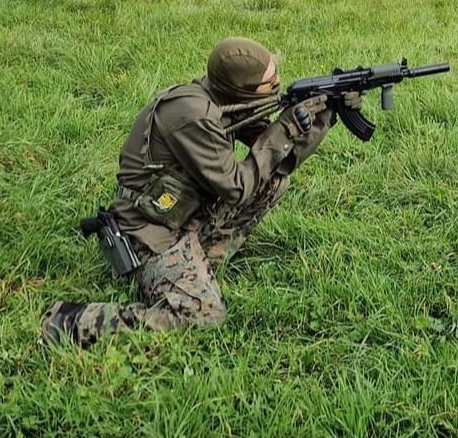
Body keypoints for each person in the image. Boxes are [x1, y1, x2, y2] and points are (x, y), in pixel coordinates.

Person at [41, 37, 344, 346]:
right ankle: (70, 321)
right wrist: (287, 127)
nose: (277, 87)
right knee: (203, 317)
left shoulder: (224, 101)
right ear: (241, 89)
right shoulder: (193, 115)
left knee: (272, 180)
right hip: (150, 234)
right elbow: (238, 186)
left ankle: (200, 263)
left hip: (183, 217)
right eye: (270, 84)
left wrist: (326, 114)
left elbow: (275, 157)